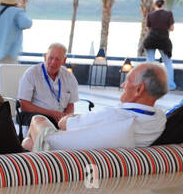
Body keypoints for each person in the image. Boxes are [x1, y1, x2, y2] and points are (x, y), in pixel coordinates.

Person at [27, 62, 167, 151]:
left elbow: (64, 124)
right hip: (103, 160)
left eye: (127, 81)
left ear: (139, 89)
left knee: (37, 121)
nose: (122, 85)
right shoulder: (160, 119)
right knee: (28, 142)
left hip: (62, 155)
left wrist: (73, 118)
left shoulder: (115, 116)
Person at [17, 42, 79, 127]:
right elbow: (24, 105)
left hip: (59, 118)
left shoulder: (69, 77)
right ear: (45, 57)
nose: (53, 62)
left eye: (57, 59)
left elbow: (70, 104)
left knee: (81, 121)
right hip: (36, 116)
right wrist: (53, 114)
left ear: (64, 60)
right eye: (50, 58)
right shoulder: (31, 73)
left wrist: (65, 117)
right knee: (44, 122)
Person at [141, 0, 175, 92]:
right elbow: (172, 28)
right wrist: (164, 27)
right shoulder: (169, 14)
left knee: (150, 62)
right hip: (164, 40)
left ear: (154, 4)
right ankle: (170, 85)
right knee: (167, 63)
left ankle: (148, 84)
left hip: (151, 40)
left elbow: (149, 29)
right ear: (164, 3)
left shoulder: (150, 15)